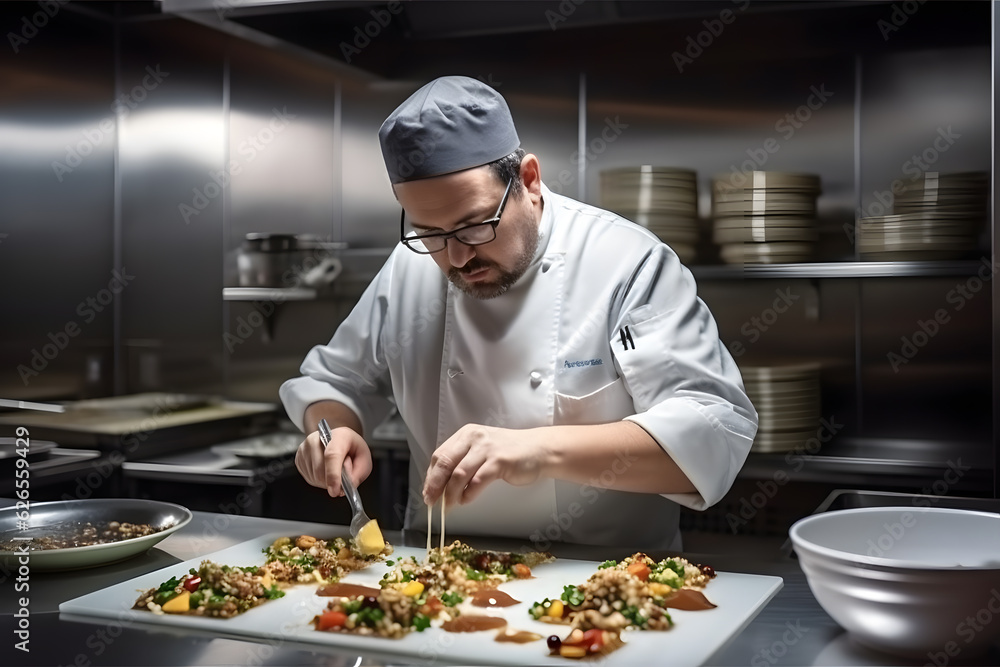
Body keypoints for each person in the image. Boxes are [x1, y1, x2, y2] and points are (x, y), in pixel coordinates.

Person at [280, 76, 757, 551]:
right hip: (439, 579)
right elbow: (336, 381)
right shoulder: (411, 264)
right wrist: (335, 430)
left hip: (604, 579)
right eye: (430, 232)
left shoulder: (626, 262)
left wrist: (539, 449)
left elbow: (713, 431)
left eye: (475, 226)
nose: (458, 258)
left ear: (528, 181)